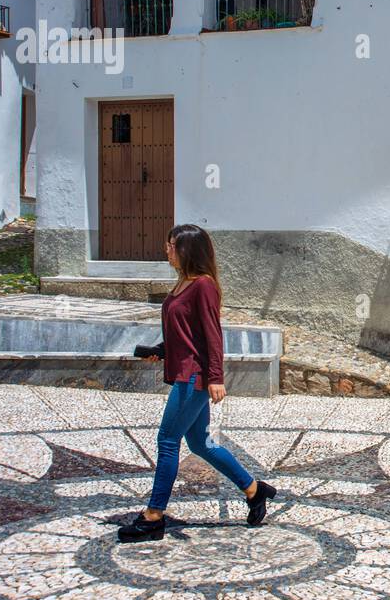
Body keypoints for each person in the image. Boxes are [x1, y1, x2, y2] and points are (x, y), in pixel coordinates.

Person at [118, 224, 276, 543]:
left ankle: (153, 517)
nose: (167, 249)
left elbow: (212, 335)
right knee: (200, 443)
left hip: (195, 377)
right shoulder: (182, 283)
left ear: (187, 249)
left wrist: (216, 377)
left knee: (167, 440)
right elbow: (186, 335)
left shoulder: (203, 285)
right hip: (184, 370)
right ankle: (254, 490)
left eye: (172, 244)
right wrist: (162, 351)